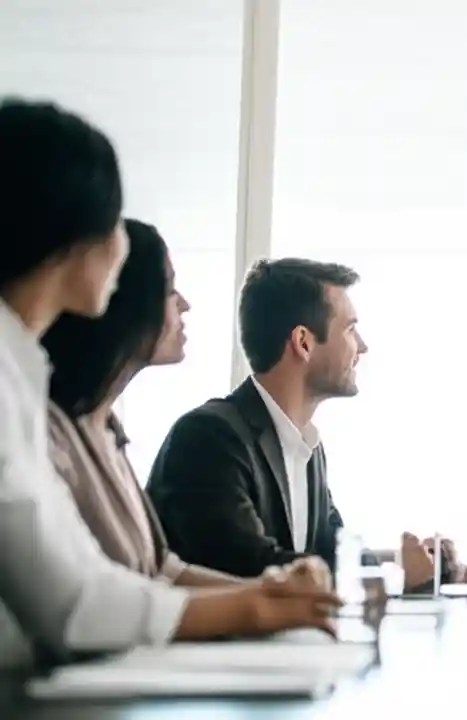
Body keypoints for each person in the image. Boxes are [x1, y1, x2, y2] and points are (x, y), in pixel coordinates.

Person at [0, 97, 337, 669]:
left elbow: (127, 572)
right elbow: (72, 601)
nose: (121, 241)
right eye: (111, 219)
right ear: (69, 233)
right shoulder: (21, 392)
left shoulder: (23, 378)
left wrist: (266, 596)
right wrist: (255, 607)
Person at [42, 219, 329, 589]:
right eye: (169, 289)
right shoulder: (206, 434)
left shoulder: (107, 430)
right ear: (122, 298)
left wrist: (272, 598)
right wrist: (266, 602)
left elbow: (162, 569)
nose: (185, 304)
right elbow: (98, 595)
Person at [147, 258, 445, 588]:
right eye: (349, 329)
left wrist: (427, 565)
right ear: (303, 342)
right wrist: (395, 576)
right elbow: (253, 569)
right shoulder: (208, 438)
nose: (362, 346)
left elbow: (335, 556)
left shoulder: (308, 449)